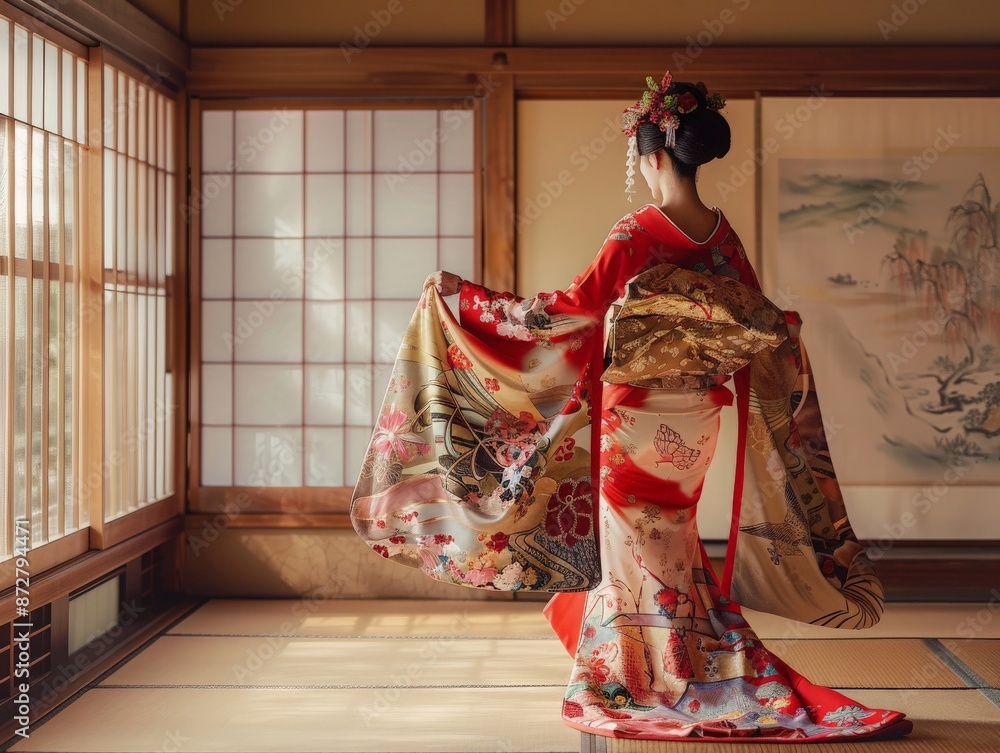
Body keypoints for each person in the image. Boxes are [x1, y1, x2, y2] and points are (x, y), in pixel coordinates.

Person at [353, 72, 912, 742]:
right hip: (696, 421)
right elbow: (761, 322)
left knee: (632, 550)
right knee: (668, 540)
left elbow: (563, 315)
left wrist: (467, 301)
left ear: (650, 157)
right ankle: (682, 655)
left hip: (632, 418)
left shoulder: (635, 233)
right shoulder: (721, 238)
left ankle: (641, 673)